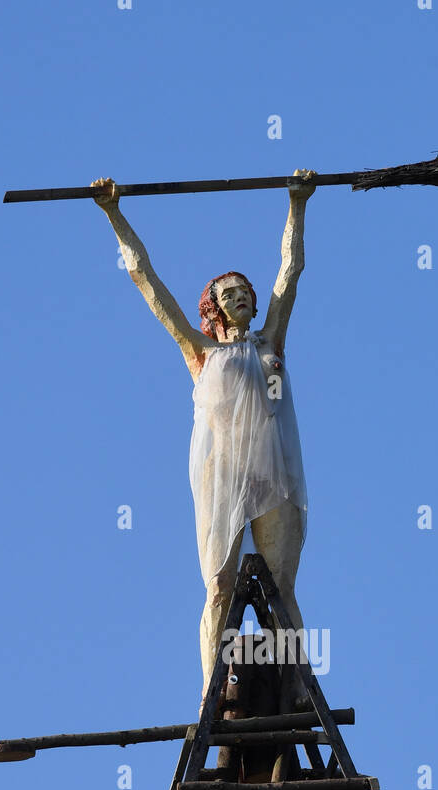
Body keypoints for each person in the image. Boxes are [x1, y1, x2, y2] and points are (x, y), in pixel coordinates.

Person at [91, 170, 316, 711]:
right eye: (228, 294)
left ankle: (297, 686)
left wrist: (297, 204)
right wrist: (114, 214)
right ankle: (210, 691)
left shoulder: (271, 341)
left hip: (274, 473)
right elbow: (147, 281)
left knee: (283, 587)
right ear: (214, 308)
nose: (240, 298)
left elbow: (291, 271)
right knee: (218, 586)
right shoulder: (200, 353)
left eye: (245, 292)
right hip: (222, 476)